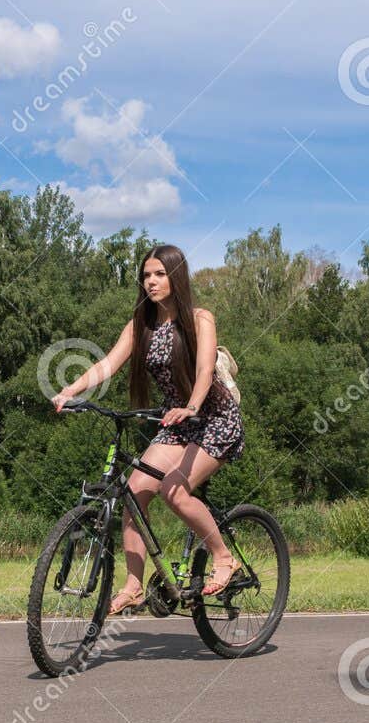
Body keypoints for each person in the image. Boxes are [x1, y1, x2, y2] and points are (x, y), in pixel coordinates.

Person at [52, 243, 246, 614]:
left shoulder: (200, 319)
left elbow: (205, 371)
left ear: (177, 277)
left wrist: (191, 407)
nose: (151, 282)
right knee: (135, 492)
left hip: (213, 419)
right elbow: (108, 364)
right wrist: (70, 391)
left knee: (174, 490)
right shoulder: (141, 326)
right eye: (146, 275)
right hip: (176, 423)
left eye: (159, 274)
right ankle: (133, 586)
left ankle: (224, 557)